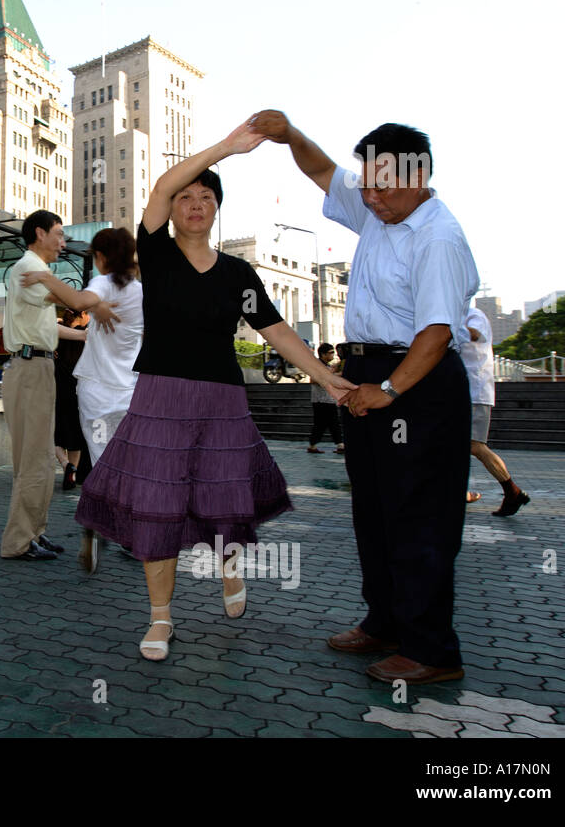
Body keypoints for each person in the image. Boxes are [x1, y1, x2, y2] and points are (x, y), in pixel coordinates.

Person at [68, 121, 353, 660]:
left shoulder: (239, 274)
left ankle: (229, 571)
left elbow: (277, 331)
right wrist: (226, 148)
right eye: (186, 196)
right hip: (158, 397)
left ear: (216, 209)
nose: (195, 203)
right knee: (158, 504)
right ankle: (159, 618)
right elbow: (156, 191)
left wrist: (326, 377)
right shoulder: (156, 256)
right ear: (173, 210)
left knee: (222, 496)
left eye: (206, 196)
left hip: (222, 399)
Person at [252, 110, 479, 686]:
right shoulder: (381, 211)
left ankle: (432, 650)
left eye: (382, 186)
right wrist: (289, 136)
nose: (370, 196)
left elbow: (436, 333)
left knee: (419, 515)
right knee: (375, 510)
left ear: (417, 176)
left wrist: (389, 389)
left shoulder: (438, 237)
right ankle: (385, 622)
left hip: (415, 380)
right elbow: (323, 170)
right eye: (368, 183)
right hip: (370, 371)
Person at [21, 226, 144, 570]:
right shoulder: (140, 292)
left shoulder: (103, 284)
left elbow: (76, 302)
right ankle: (130, 537)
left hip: (96, 391)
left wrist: (42, 278)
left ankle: (94, 524)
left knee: (101, 461)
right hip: (130, 393)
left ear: (102, 257)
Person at [0, 210, 74, 561]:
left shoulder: (37, 271)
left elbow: (49, 326)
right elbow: (69, 300)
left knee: (41, 459)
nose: (63, 242)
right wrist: (99, 302)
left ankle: (34, 532)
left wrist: (87, 334)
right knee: (35, 460)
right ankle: (18, 541)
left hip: (38, 365)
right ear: (39, 234)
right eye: (58, 234)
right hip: (30, 368)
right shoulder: (29, 268)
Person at [460, 305, 530, 516]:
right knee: (454, 444)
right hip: (461, 392)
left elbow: (473, 334)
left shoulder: (474, 315)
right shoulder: (455, 315)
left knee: (475, 446)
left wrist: (444, 327)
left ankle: (512, 491)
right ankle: (460, 492)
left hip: (476, 392)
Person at [53, 308, 87, 490]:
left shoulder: (58, 329)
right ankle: (72, 476)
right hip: (78, 389)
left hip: (57, 387)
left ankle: (67, 465)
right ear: (82, 314)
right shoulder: (85, 334)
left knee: (56, 434)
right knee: (75, 433)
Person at [308, 343, 346, 454]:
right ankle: (338, 445)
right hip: (320, 400)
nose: (333, 355)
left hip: (328, 399)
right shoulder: (318, 365)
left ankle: (338, 444)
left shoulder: (326, 365)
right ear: (323, 354)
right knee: (325, 423)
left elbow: (330, 375)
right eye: (330, 352)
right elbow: (314, 380)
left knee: (330, 423)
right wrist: (333, 375)